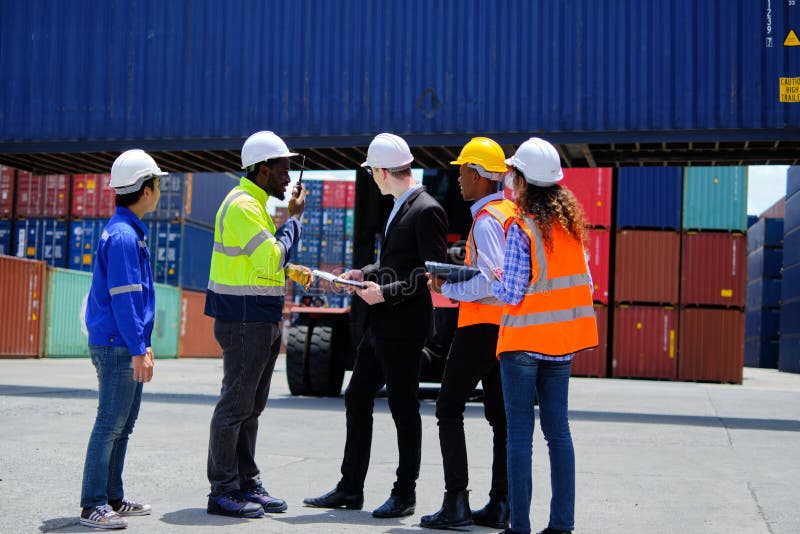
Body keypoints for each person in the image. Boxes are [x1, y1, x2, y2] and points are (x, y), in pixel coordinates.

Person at [304, 133, 448, 518]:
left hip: (404, 326)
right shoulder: (401, 205)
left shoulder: (426, 208)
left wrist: (386, 293)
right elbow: (399, 262)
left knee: (403, 406)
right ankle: (351, 487)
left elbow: (432, 275)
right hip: (380, 324)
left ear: (383, 171)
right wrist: (363, 272)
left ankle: (405, 494)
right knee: (356, 397)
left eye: (372, 172)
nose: (371, 178)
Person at [490, 137, 598, 534]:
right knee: (559, 434)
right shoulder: (571, 230)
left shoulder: (521, 227)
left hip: (522, 346)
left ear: (521, 180)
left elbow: (513, 292)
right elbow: (584, 284)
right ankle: (561, 526)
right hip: (562, 347)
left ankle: (519, 527)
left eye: (511, 173)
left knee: (520, 436)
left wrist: (496, 278)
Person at [204, 131, 313, 518]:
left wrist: (290, 267)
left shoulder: (258, 205)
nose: (288, 179)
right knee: (235, 407)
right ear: (263, 169)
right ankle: (223, 490)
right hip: (244, 320)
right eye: (283, 170)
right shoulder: (243, 206)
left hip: (260, 318)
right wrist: (294, 221)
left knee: (250, 408)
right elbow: (269, 260)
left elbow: (262, 262)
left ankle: (247, 482)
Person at [422, 137, 516, 530]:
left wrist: (448, 288)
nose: (458, 178)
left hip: (480, 327)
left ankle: (455, 503)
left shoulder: (487, 219)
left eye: (462, 171)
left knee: (447, 408)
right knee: (500, 418)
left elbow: (492, 280)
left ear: (478, 176)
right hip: (507, 330)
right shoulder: (512, 211)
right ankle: (500, 504)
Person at [79, 149, 165, 529]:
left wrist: (142, 345)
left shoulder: (125, 232)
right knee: (110, 424)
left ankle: (112, 496)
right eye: (157, 184)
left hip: (124, 342)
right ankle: (92, 504)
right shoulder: (124, 237)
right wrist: (136, 348)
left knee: (122, 425)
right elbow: (126, 297)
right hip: (117, 344)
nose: (159, 190)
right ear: (146, 189)